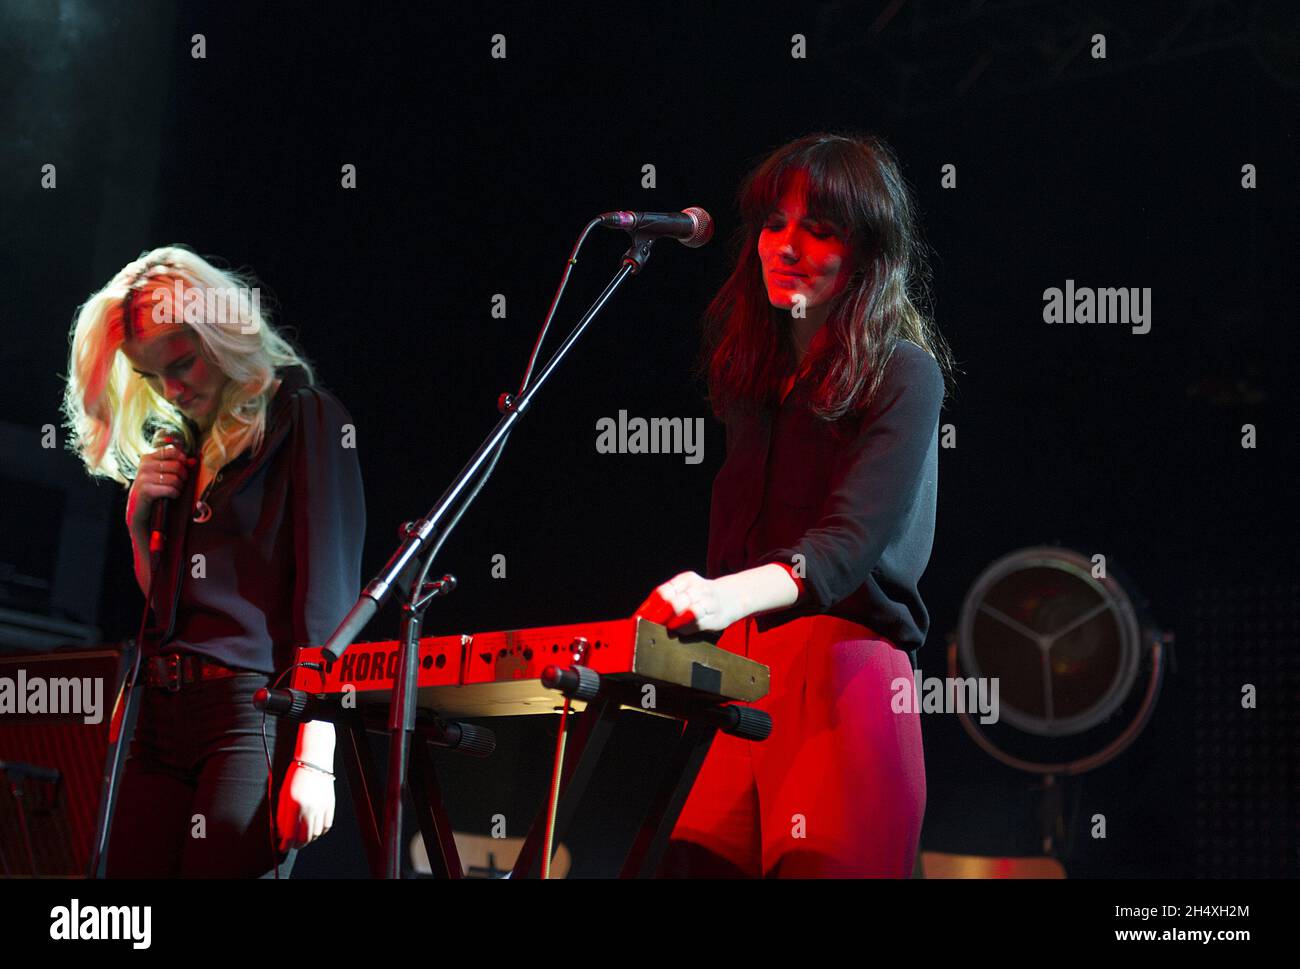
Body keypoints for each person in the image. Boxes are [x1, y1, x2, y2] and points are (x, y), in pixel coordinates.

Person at [638, 132, 956, 878]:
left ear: (867, 253)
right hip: (746, 674)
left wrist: (720, 596)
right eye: (775, 225)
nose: (786, 246)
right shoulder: (752, 383)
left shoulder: (904, 375)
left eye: (819, 229)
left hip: (846, 674)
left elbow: (845, 545)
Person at [62, 245, 366, 877]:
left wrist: (317, 751)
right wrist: (138, 522)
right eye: (150, 378)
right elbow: (166, 612)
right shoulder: (186, 446)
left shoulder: (303, 418)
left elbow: (331, 605)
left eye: (182, 363)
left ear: (222, 335)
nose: (171, 390)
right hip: (160, 712)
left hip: (249, 711)